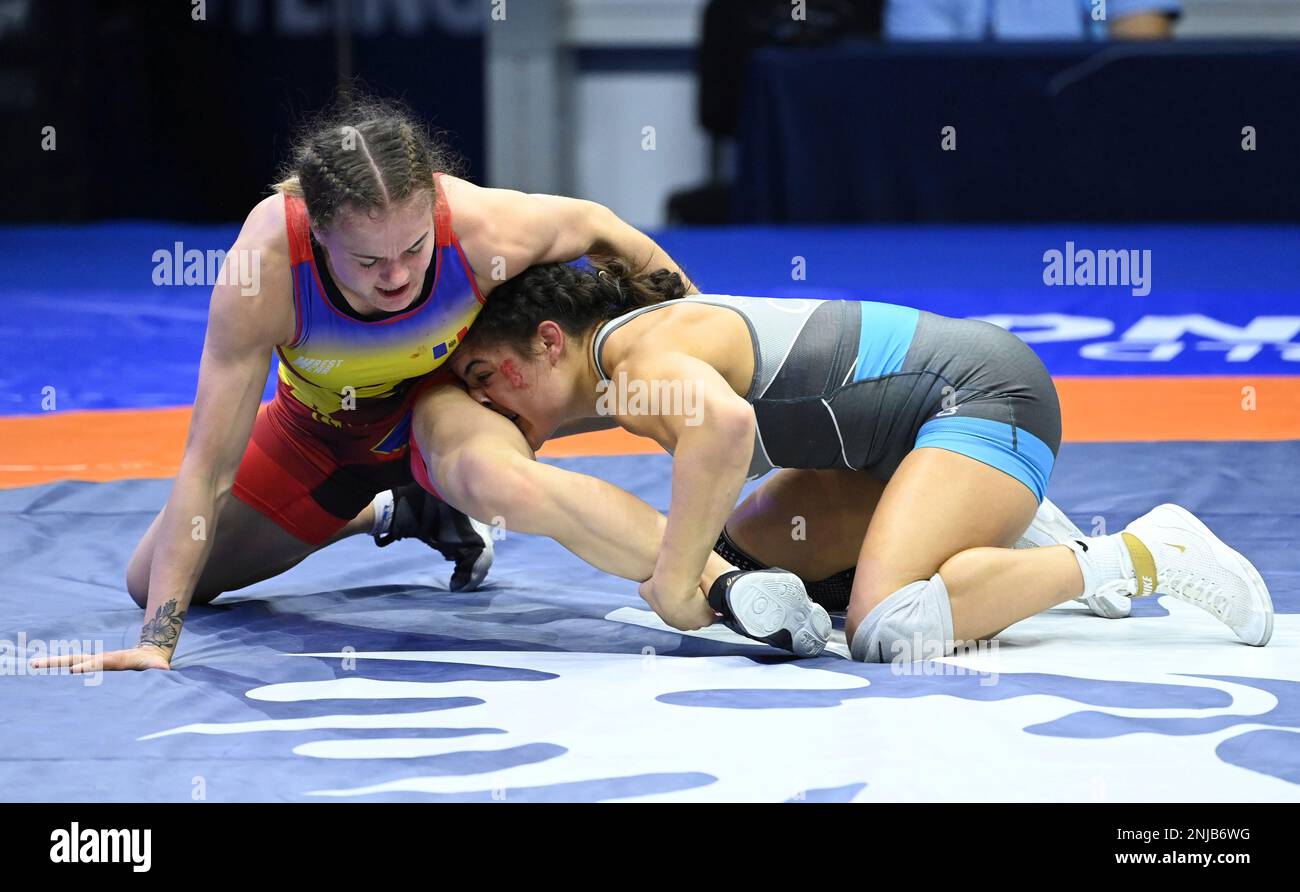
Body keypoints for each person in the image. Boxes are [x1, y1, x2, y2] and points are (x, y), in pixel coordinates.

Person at [32, 93, 729, 674]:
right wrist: (158, 642)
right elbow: (208, 465)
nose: (396, 276)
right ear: (317, 231)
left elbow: (603, 229)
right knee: (145, 581)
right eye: (368, 261)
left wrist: (698, 339)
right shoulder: (266, 271)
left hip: (443, 403)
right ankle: (403, 512)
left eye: (415, 249)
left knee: (505, 481)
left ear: (434, 208)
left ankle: (724, 579)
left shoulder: (486, 228)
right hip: (319, 438)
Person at [444, 258, 1274, 661]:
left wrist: (669, 578)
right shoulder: (617, 364)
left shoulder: (639, 370)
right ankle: (999, 527)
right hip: (902, 439)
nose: (485, 402)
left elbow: (725, 431)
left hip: (985, 401)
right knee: (740, 568)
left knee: (885, 626)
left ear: (551, 343)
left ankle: (1139, 554)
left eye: (486, 377)